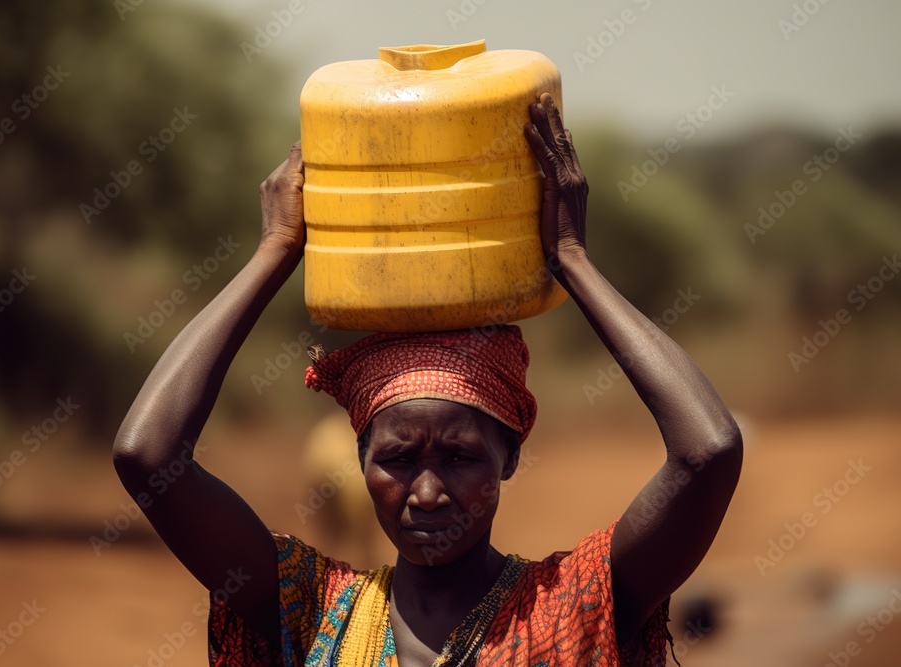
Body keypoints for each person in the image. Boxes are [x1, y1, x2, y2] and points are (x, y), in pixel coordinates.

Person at [113, 93, 743, 666]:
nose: (428, 491)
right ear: (359, 459)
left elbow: (707, 451)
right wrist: (274, 250)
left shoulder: (568, 609)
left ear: (510, 454)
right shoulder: (309, 613)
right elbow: (149, 455)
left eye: (461, 455)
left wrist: (571, 260)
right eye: (397, 457)